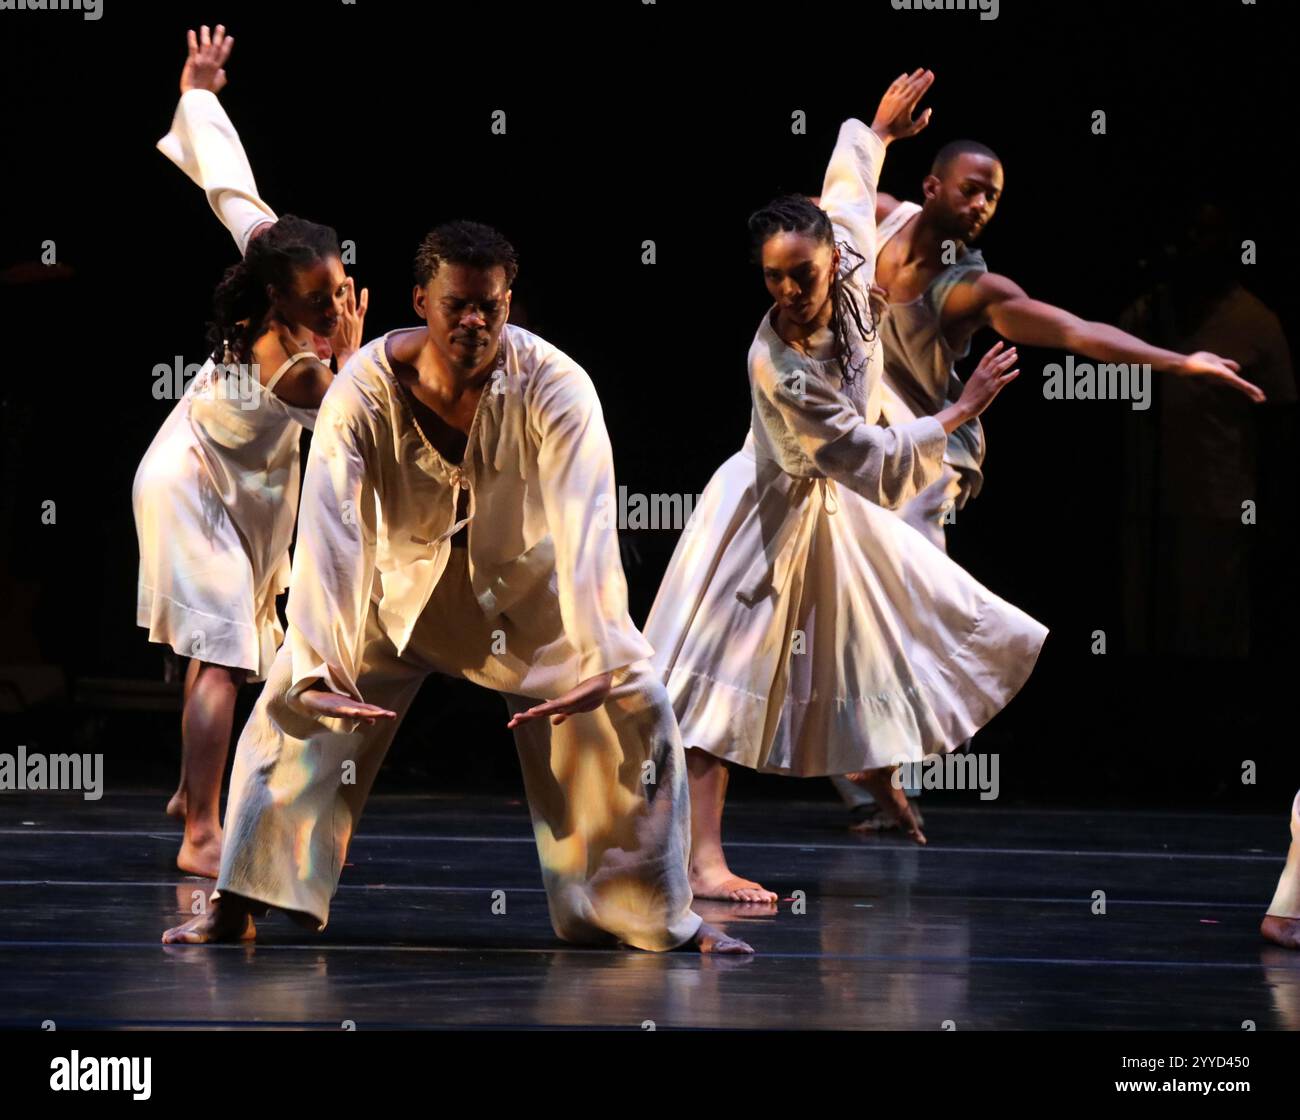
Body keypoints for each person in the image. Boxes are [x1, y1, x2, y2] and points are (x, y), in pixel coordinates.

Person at [163, 220, 750, 953]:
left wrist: (602, 653)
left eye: (490, 306)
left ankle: (662, 917)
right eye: (456, 305)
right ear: (420, 300)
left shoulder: (557, 387)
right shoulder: (363, 390)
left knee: (640, 705)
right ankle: (238, 901)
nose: (474, 320)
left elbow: (585, 522)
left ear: (509, 304)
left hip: (527, 599)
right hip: (394, 595)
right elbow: (332, 529)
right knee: (293, 702)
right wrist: (318, 660)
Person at [643, 71, 1047, 903]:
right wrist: (959, 411)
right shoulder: (779, 367)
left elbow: (848, 186)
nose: (788, 294)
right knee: (717, 681)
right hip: (764, 517)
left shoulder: (853, 253)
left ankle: (874, 774)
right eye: (771, 279)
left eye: (802, 274)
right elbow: (861, 454)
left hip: (827, 519)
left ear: (834, 258)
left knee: (904, 625)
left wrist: (878, 130)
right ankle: (700, 863)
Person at [134, 25, 367, 877]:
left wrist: (197, 91)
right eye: (320, 297)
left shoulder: (272, 253)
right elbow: (349, 412)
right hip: (190, 485)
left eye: (340, 287)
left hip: (236, 488)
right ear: (278, 296)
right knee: (224, 658)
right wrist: (351, 349)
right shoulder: (289, 360)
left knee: (230, 653)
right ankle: (201, 831)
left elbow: (228, 184)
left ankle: (194, 791)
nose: (333, 300)